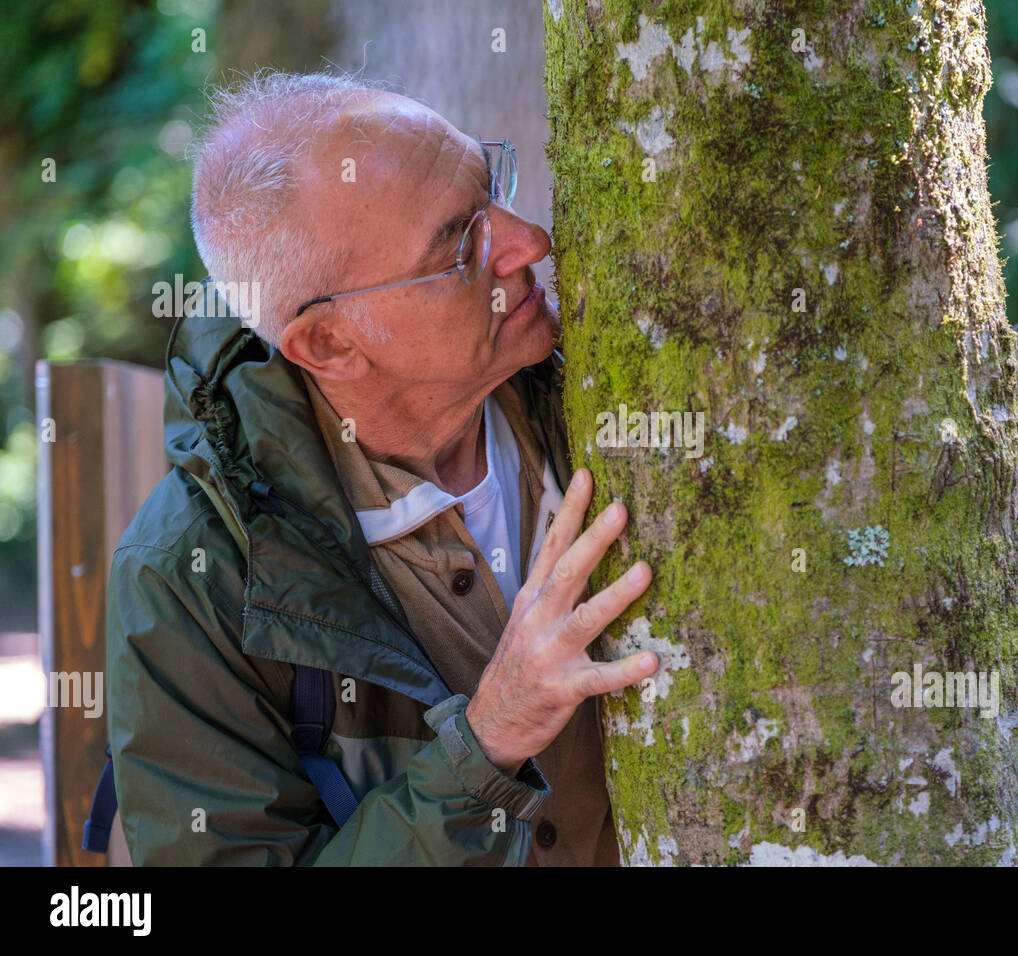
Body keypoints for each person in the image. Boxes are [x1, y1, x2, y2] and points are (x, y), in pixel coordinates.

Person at [105, 70, 658, 865]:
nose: (530, 241)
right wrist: (487, 740)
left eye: (491, 185)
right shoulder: (191, 579)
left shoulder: (608, 390)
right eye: (462, 245)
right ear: (328, 343)